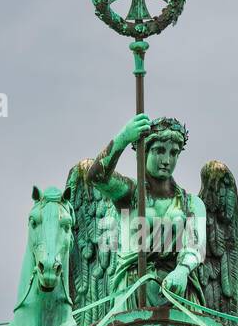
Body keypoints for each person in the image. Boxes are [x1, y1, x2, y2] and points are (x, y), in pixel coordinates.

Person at [87, 112, 207, 309]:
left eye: (173, 153)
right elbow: (96, 176)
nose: (167, 160)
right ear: (144, 153)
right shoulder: (129, 193)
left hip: (178, 292)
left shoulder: (192, 203)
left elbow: (195, 247)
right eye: (159, 150)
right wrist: (124, 137)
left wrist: (182, 270)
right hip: (134, 291)